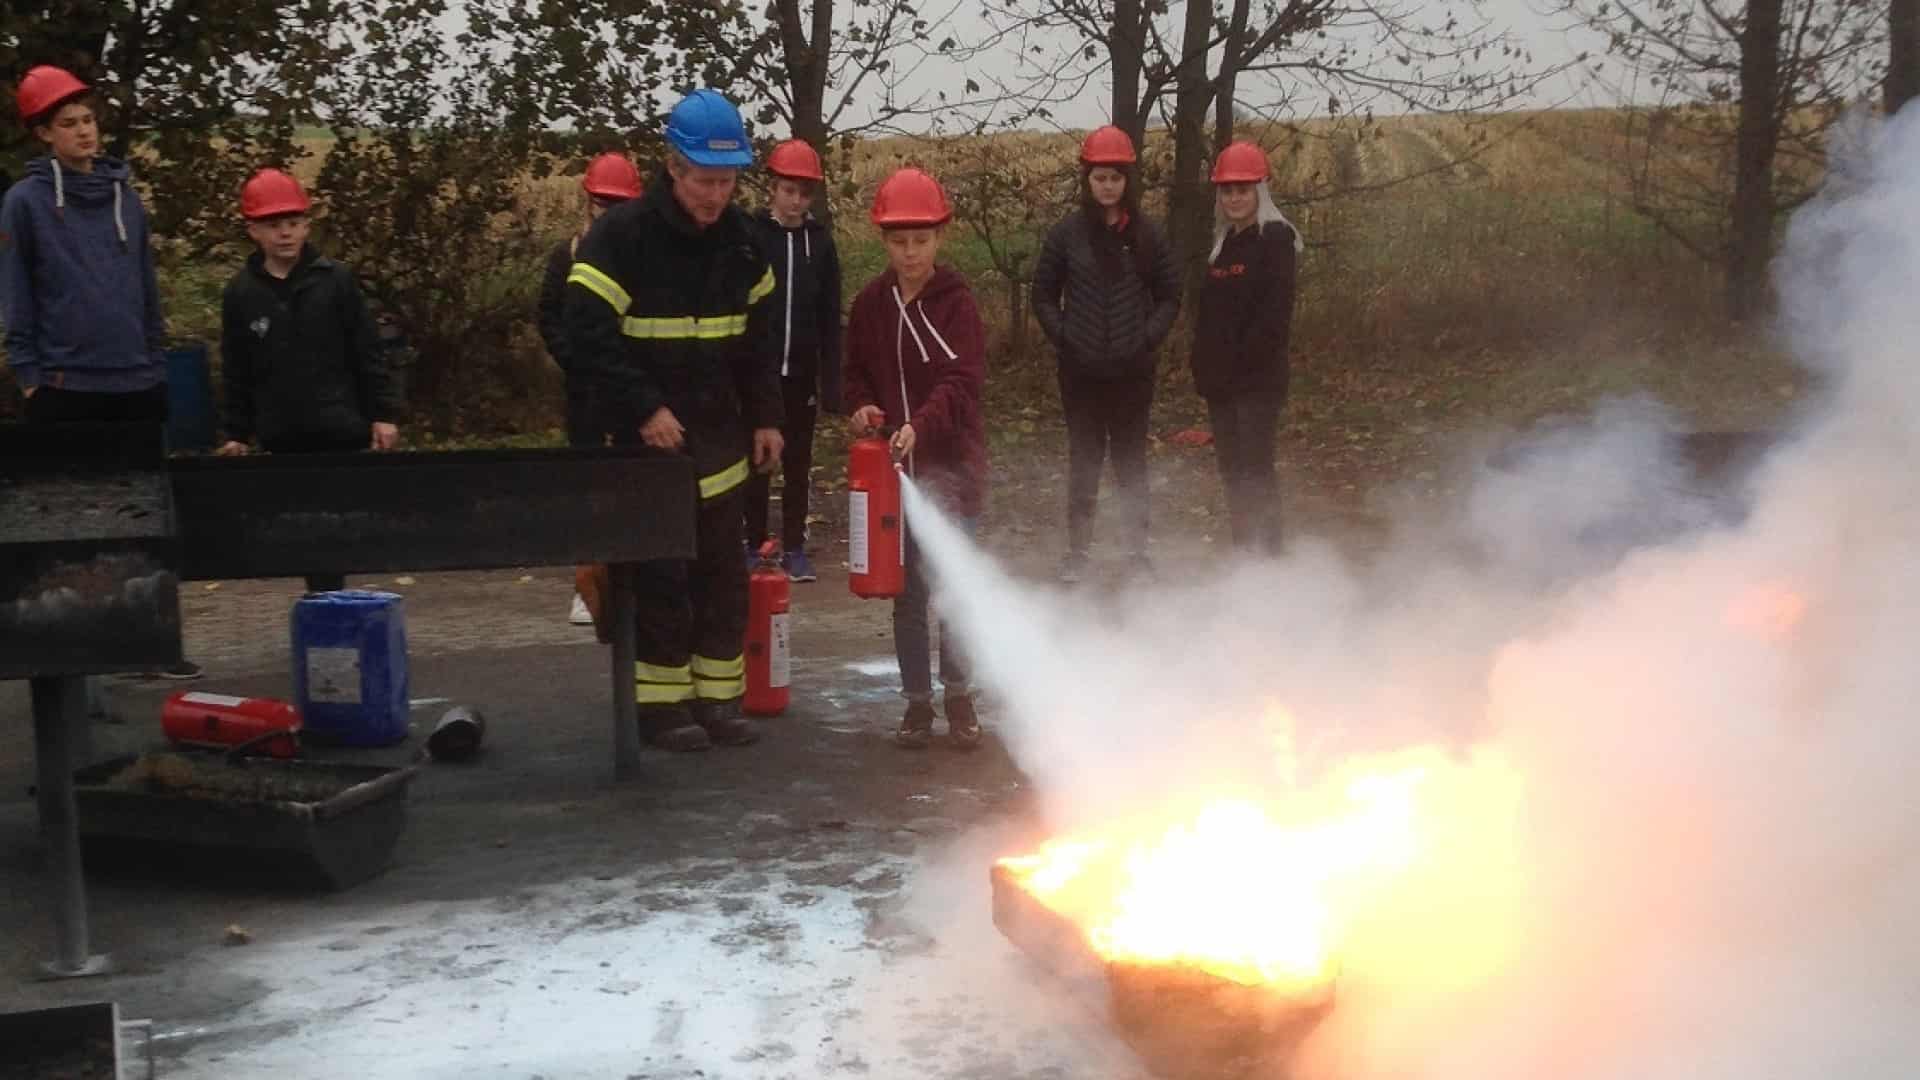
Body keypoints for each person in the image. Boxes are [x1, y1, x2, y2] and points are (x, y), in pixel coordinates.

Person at [563, 88, 783, 753]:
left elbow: (762, 345)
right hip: (649, 442)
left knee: (721, 573)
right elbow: (586, 333)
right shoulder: (622, 237)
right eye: (704, 180)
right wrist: (643, 408)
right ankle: (661, 709)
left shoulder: (745, 244)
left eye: (727, 181)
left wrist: (768, 416)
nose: (716, 195)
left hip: (720, 439)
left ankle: (719, 699)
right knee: (660, 578)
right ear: (672, 167)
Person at [1, 65, 200, 678]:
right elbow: (16, 295)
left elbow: (145, 291)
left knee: (150, 526)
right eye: (69, 124)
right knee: (70, 531)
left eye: (89, 119)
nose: (85, 132)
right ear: (43, 134)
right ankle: (80, 659)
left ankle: (156, 647)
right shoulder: (24, 203)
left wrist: (153, 360)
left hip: (135, 382)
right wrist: (30, 374)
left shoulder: (126, 199)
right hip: (64, 387)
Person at [842, 168, 988, 751]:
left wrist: (918, 428)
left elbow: (962, 382)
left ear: (939, 238)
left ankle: (960, 696)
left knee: (951, 588)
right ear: (884, 241)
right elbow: (851, 373)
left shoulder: (958, 306)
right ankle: (916, 705)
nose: (910, 252)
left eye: (921, 240)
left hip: (954, 469)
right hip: (891, 478)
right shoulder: (870, 305)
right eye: (899, 241)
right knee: (907, 592)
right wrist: (860, 408)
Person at [215, 168, 403, 593]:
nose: (285, 233)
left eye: (293, 223)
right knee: (301, 530)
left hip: (340, 427)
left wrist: (383, 415)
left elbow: (367, 352)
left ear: (307, 226)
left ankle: (333, 602)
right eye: (273, 225)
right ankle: (320, 604)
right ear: (253, 231)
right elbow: (237, 366)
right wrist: (236, 431)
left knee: (338, 528)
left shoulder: (335, 281)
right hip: (282, 433)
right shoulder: (241, 293)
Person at [1030, 124, 1179, 584]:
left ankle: (1137, 551)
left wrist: (1147, 338)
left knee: (1131, 461)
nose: (1108, 186)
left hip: (1133, 372)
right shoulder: (1066, 235)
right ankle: (1078, 552)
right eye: (1100, 178)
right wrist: (1066, 337)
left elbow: (1171, 295)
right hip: (1081, 374)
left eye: (1116, 177)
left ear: (1128, 181)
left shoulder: (1150, 236)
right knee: (1085, 461)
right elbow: (1042, 294)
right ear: (1087, 181)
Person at [539, 151, 643, 625]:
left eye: (619, 204)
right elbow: (548, 316)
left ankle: (630, 581)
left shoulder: (644, 261)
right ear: (589, 204)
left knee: (629, 486)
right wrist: (576, 361)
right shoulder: (568, 255)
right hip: (584, 395)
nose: (609, 212)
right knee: (587, 488)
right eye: (603, 203)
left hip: (629, 395)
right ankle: (586, 584)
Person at [1191, 140, 1300, 555]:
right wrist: (1202, 366)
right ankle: (1244, 556)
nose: (1235, 197)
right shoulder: (1225, 245)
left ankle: (1270, 558)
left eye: (1243, 188)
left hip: (1257, 383)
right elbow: (1209, 316)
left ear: (1260, 191)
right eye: (1227, 190)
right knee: (1232, 474)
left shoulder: (1275, 239)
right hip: (1221, 385)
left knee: (1256, 471)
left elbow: (1273, 318)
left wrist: (1236, 369)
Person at [743, 138, 843, 583]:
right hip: (757, 375)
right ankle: (753, 544)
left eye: (804, 193)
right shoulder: (750, 235)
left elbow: (829, 314)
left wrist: (832, 378)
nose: (796, 200)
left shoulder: (820, 244)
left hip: (801, 374)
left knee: (798, 462)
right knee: (758, 462)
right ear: (773, 188)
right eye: (789, 190)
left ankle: (795, 547)